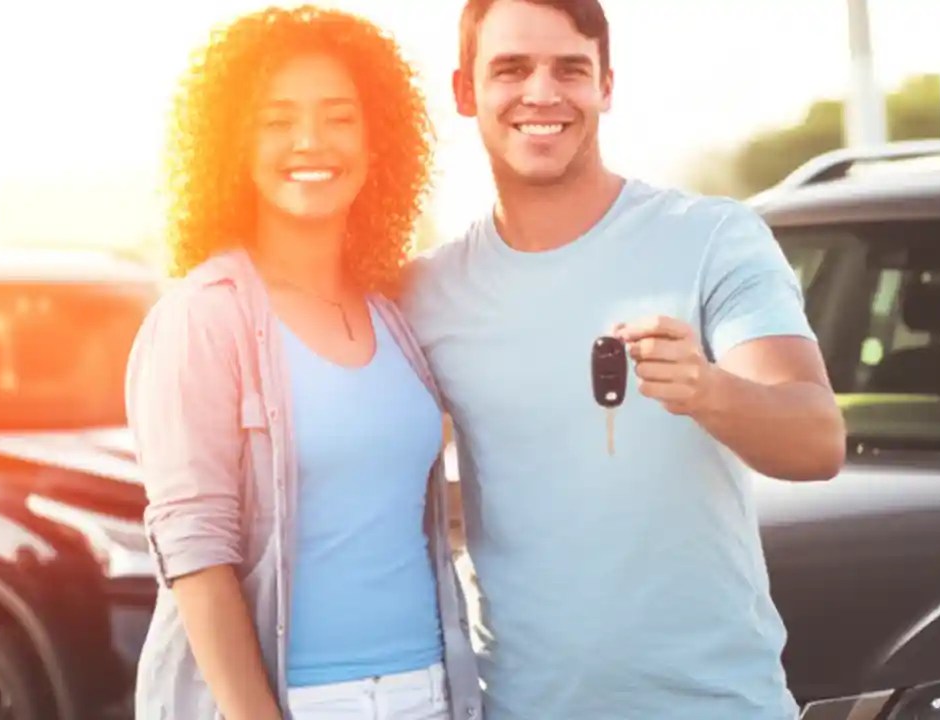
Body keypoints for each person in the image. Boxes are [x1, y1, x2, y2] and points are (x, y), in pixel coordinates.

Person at [400, 0, 847, 718]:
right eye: (511, 69)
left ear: (606, 85)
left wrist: (707, 388)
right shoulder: (427, 294)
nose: (541, 94)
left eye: (569, 69)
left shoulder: (712, 238)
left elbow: (817, 440)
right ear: (464, 92)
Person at [124, 6, 482, 720]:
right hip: (298, 701)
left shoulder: (397, 313)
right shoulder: (204, 316)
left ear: (377, 140)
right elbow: (196, 559)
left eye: (340, 117)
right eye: (276, 120)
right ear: (234, 144)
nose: (311, 141)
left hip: (431, 692)